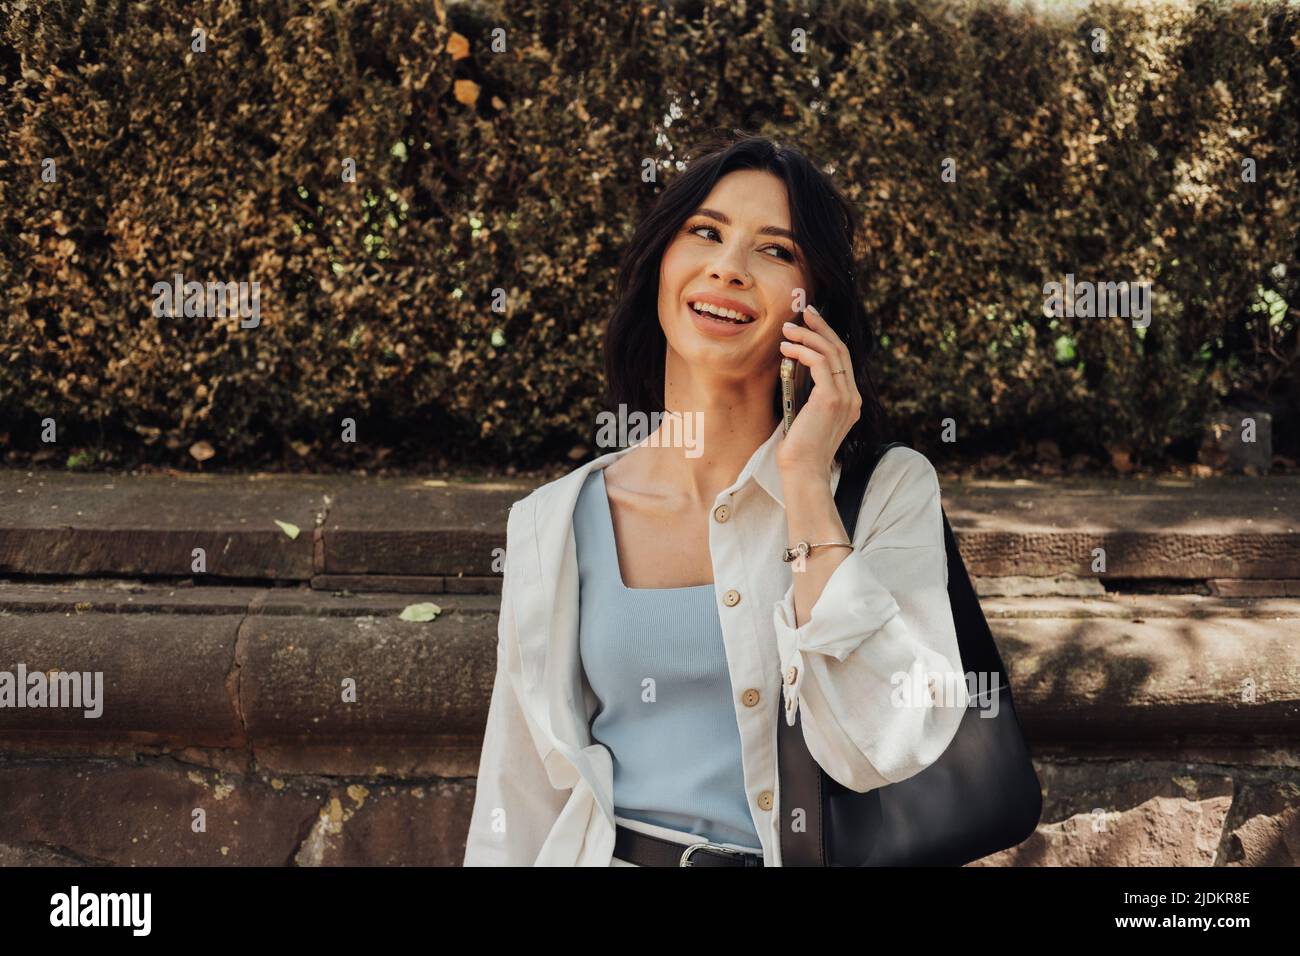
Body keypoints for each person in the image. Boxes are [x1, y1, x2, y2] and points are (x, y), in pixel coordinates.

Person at [463, 132, 967, 867]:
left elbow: (889, 740)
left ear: (814, 304)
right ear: (661, 263)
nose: (728, 268)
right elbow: (518, 792)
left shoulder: (886, 492)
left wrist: (802, 484)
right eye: (705, 233)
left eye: (776, 250)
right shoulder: (553, 523)